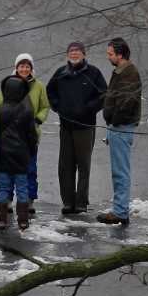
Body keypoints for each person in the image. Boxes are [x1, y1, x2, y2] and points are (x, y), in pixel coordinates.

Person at [46, 41, 107, 216]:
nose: (74, 54)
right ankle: (67, 202)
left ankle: (81, 203)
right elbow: (50, 92)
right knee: (65, 166)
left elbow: (104, 94)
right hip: (66, 126)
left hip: (85, 126)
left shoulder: (93, 73)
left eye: (77, 51)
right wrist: (57, 106)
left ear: (84, 54)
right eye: (71, 51)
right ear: (67, 54)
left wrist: (88, 108)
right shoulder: (61, 73)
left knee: (84, 165)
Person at [0, 52, 49, 213]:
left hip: (30, 134)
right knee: (8, 170)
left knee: (30, 168)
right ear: (16, 68)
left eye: (27, 66)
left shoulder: (38, 86)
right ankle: (8, 200)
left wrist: (38, 119)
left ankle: (29, 200)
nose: (24, 69)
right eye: (21, 66)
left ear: (31, 68)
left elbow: (45, 106)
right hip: (9, 135)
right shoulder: (7, 84)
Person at [98, 37, 142, 226]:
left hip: (122, 127)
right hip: (117, 126)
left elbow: (128, 101)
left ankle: (121, 211)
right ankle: (119, 209)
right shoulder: (121, 71)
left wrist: (114, 119)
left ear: (120, 54)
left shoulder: (129, 72)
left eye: (110, 54)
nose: (108, 57)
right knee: (118, 170)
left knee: (120, 171)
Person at [0, 74, 40, 231]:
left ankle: (1, 220)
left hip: (2, 156)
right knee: (22, 188)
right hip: (21, 157)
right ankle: (23, 221)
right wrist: (31, 151)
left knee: (2, 187)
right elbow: (32, 136)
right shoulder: (27, 112)